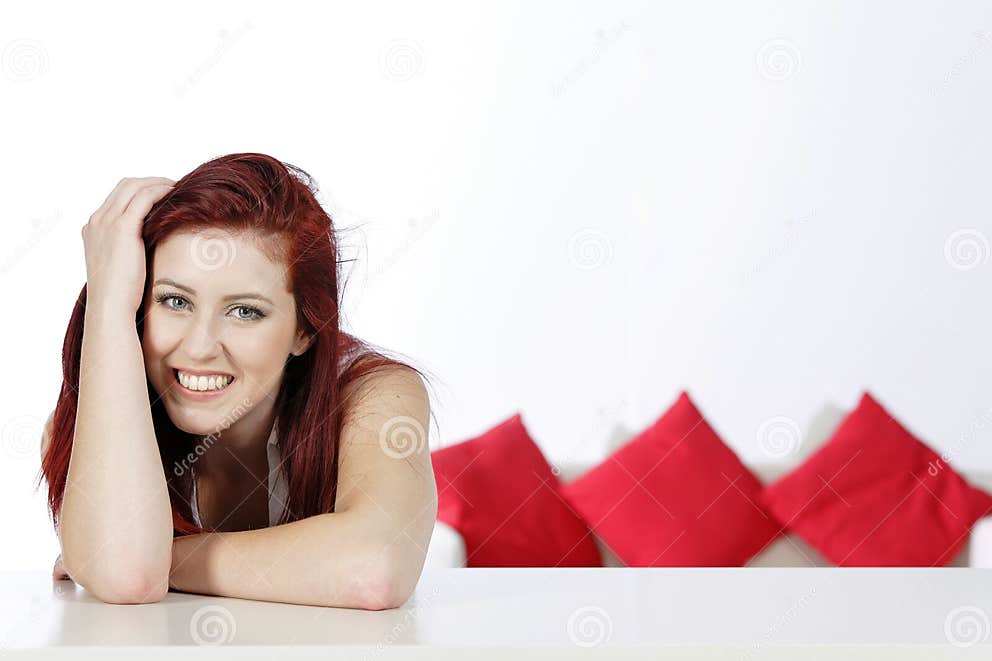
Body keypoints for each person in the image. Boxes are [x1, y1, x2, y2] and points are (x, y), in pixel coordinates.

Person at [37, 153, 438, 609]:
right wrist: (106, 298)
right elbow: (129, 578)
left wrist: (142, 555)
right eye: (174, 301)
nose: (201, 347)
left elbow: (373, 570)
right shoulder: (87, 427)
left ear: (305, 330)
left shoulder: (374, 395)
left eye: (245, 310)